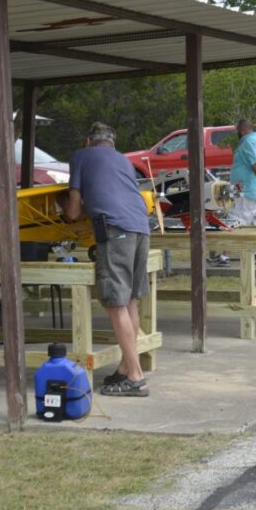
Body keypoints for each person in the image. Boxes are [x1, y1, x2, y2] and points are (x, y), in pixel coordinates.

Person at [65, 122, 151, 397]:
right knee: (130, 300)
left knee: (114, 302)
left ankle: (136, 377)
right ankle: (126, 368)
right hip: (141, 228)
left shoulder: (80, 156)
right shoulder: (124, 161)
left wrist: (65, 211)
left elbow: (74, 211)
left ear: (88, 140)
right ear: (112, 143)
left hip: (115, 231)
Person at [212, 119, 256, 266]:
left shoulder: (248, 143)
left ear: (242, 130)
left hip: (245, 191)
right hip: (255, 192)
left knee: (232, 221)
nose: (237, 132)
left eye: (237, 129)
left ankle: (224, 256)